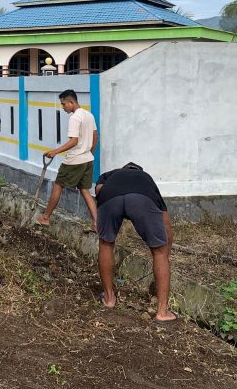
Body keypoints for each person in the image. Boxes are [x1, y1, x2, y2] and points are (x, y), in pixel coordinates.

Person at [94, 163, 176, 323]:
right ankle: (162, 312)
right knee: (159, 252)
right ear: (139, 171)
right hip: (142, 199)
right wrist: (167, 253)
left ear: (124, 169)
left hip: (110, 196)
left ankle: (109, 299)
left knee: (105, 244)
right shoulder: (146, 179)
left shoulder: (110, 174)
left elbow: (98, 191)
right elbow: (166, 222)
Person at [36, 89, 98, 228]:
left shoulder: (75, 118)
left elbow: (74, 141)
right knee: (85, 190)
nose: (63, 107)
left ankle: (45, 217)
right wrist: (89, 153)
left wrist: (55, 152)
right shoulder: (89, 115)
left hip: (74, 160)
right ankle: (96, 223)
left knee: (58, 186)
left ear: (71, 102)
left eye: (64, 104)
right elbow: (95, 137)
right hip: (87, 159)